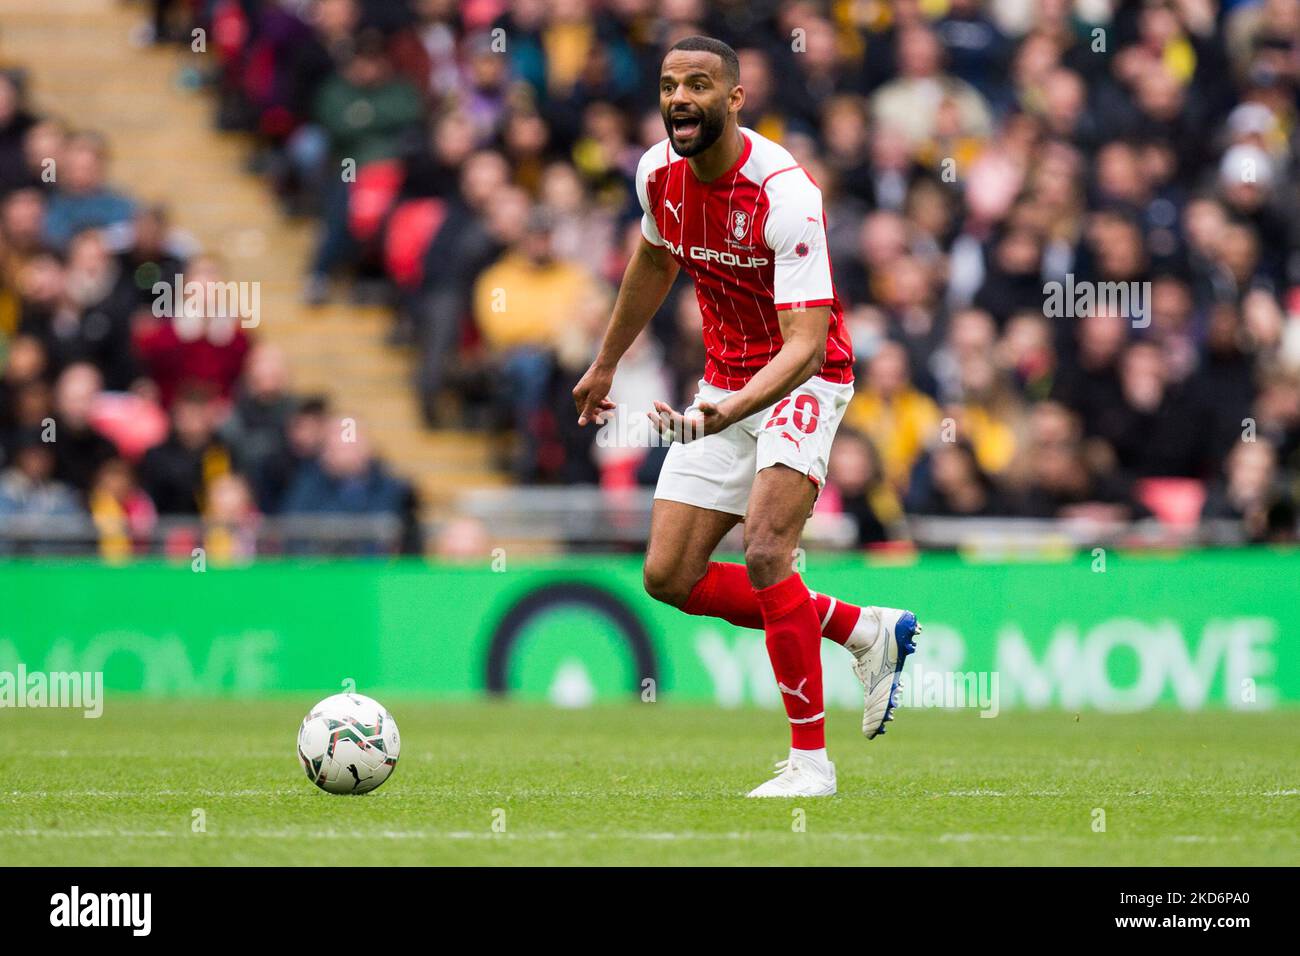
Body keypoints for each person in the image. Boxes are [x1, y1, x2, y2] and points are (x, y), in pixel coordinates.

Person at [572, 37, 921, 799]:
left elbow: (803, 345)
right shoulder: (655, 174)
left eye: (699, 85)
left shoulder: (785, 192)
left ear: (735, 98)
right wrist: (606, 363)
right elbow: (655, 261)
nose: (679, 99)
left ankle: (811, 766)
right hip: (725, 380)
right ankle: (862, 630)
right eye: (669, 85)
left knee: (767, 551)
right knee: (668, 574)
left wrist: (726, 410)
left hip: (802, 381)